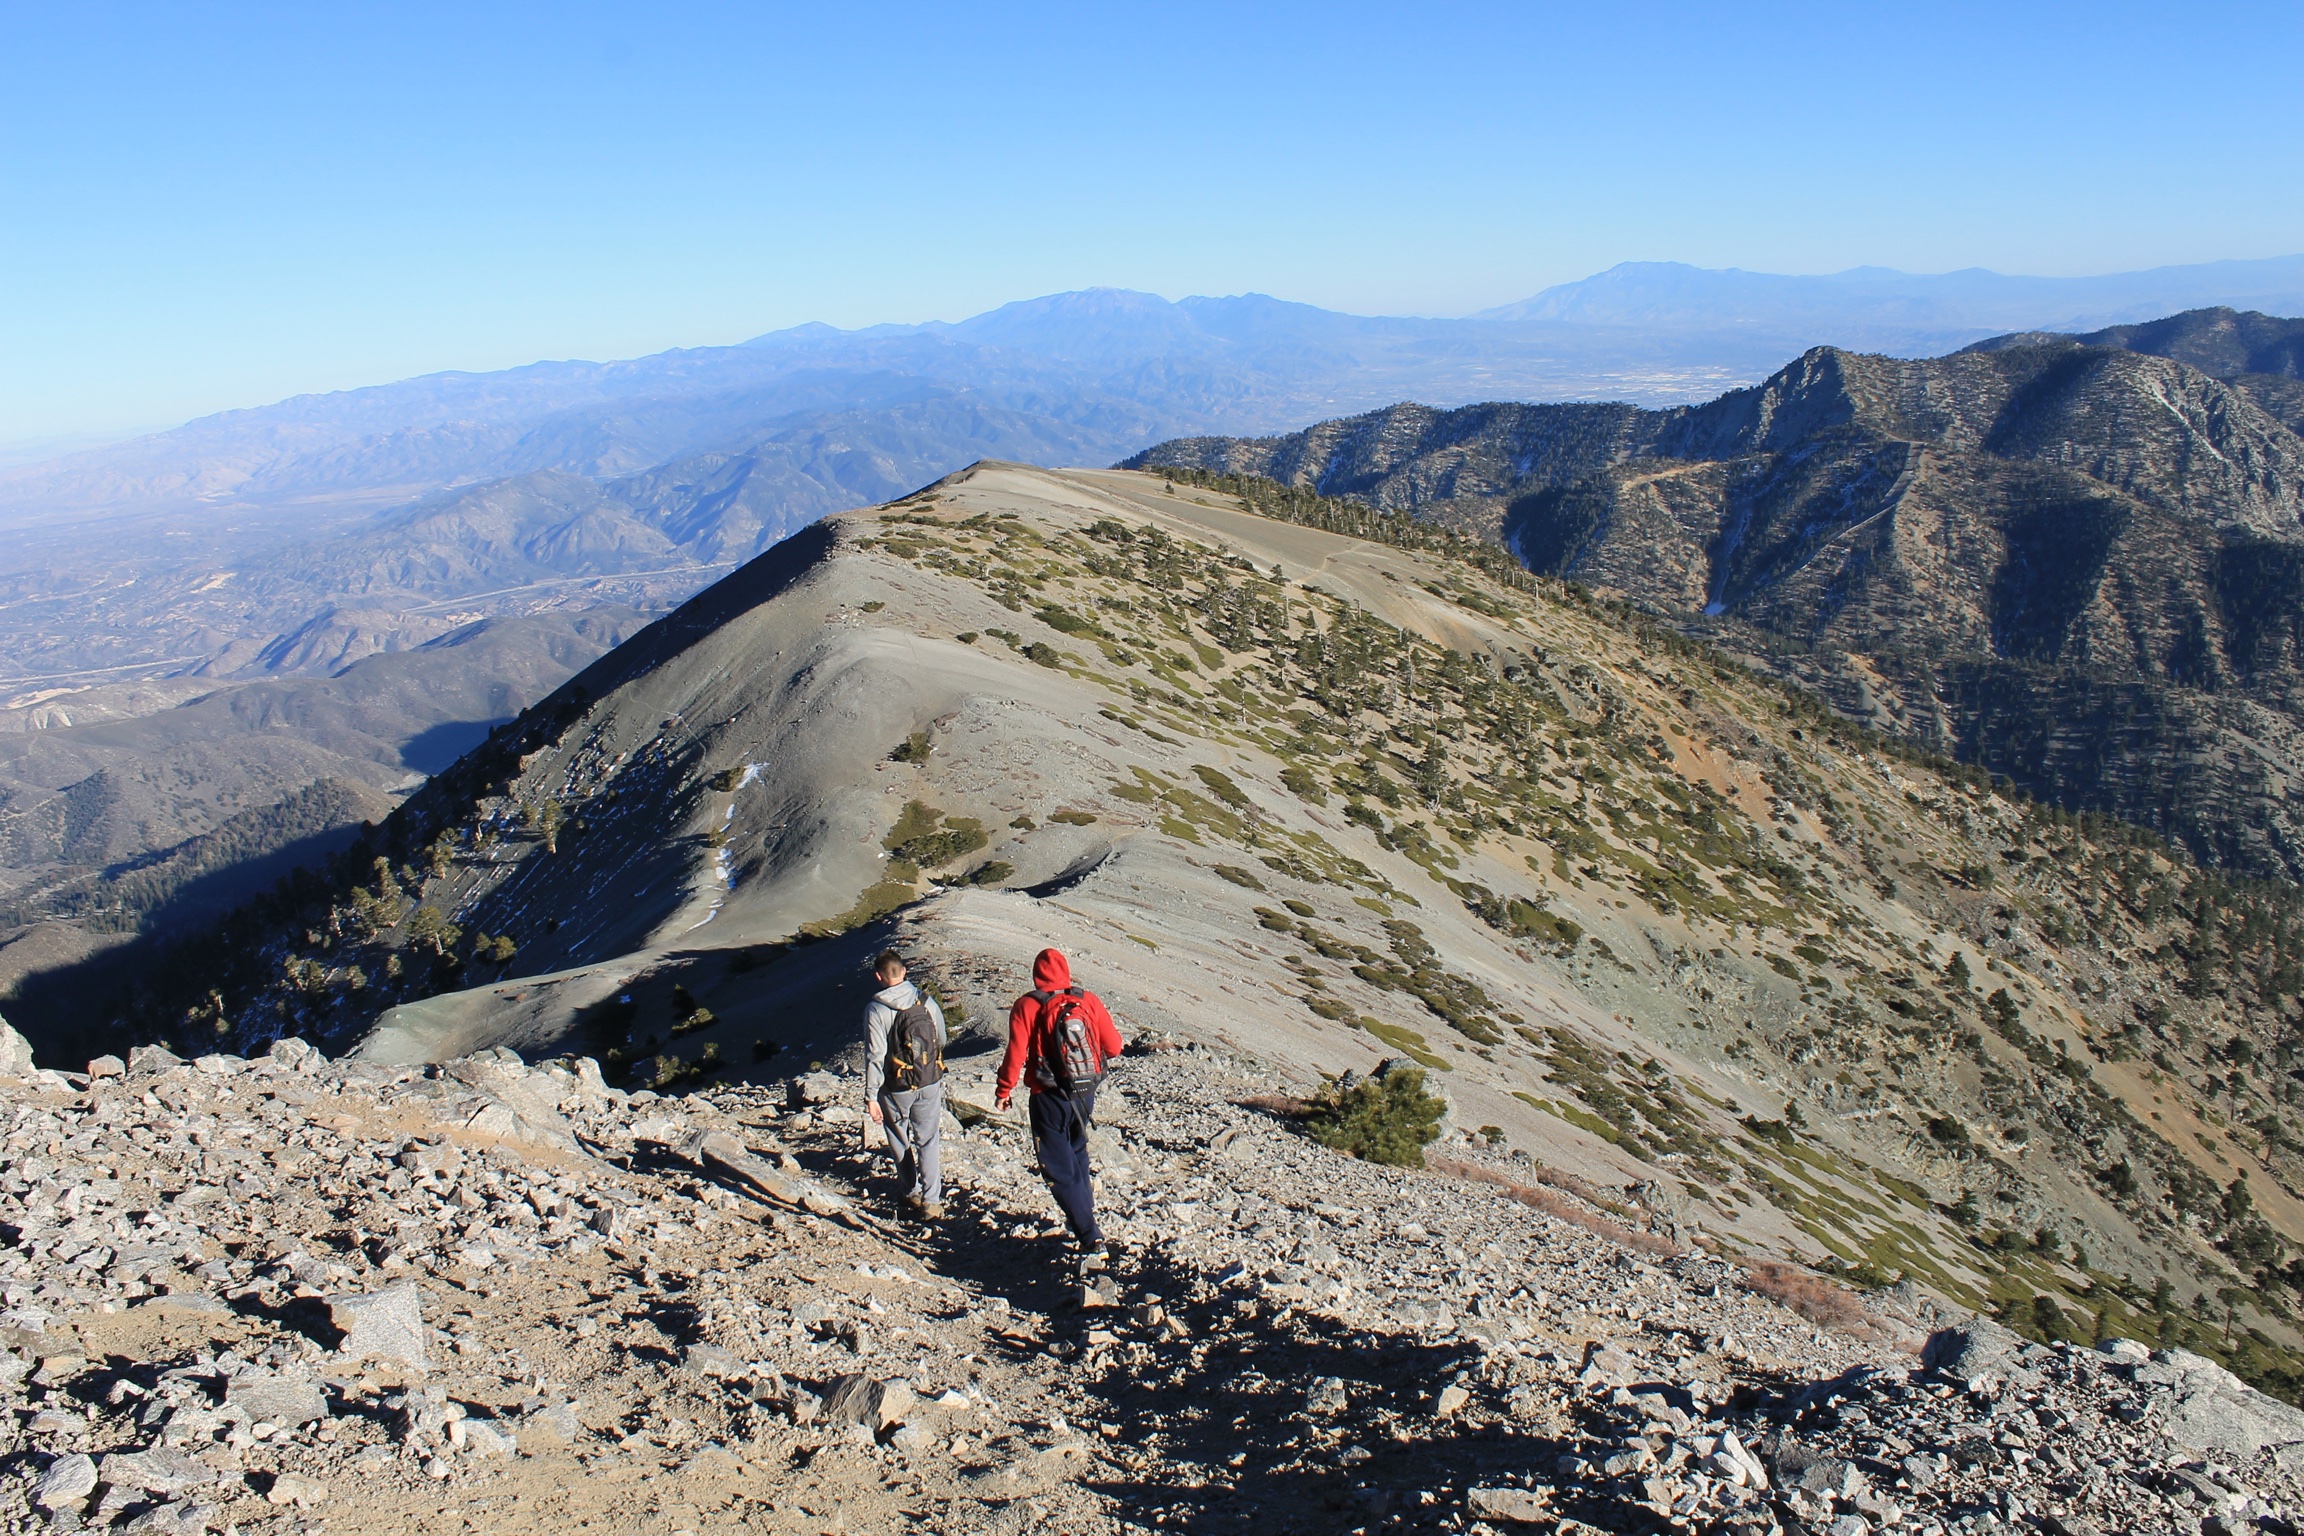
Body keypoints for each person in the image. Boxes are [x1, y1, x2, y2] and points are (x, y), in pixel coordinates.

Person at [996, 947, 1125, 1259]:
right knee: (1077, 1150)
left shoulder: (1028, 1005)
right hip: (1084, 1092)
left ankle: (1090, 1236)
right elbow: (1115, 1047)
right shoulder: (1087, 999)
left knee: (1056, 1166)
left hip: (1047, 1095)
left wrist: (1004, 1090)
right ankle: (1085, 1218)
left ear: (1036, 975)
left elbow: (1016, 1053)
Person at [863, 950, 948, 1220]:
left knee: (898, 1136)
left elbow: (875, 1055)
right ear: (905, 971)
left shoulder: (876, 1009)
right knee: (928, 1139)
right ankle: (932, 1201)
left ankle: (910, 1191)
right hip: (928, 1081)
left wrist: (871, 1095)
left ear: (879, 977)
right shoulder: (926, 1002)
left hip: (895, 1086)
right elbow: (941, 1039)